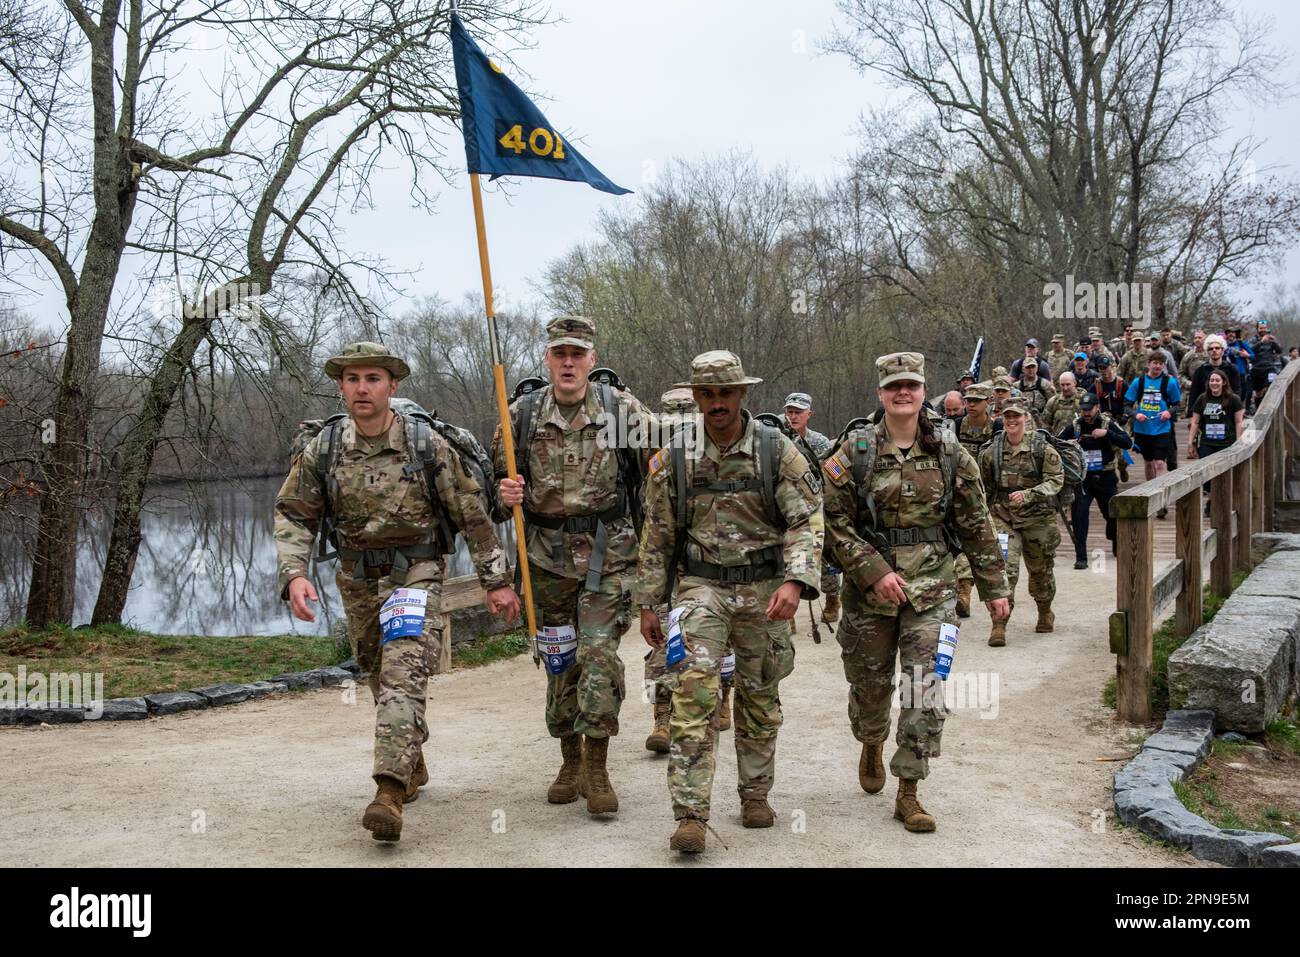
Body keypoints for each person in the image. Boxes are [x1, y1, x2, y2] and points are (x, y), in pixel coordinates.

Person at [275, 342, 519, 842]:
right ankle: (411, 760)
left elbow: (471, 515)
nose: (361, 388)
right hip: (357, 577)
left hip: (417, 572)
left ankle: (388, 790)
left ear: (393, 386)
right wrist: (294, 574)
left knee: (403, 669)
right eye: (352, 379)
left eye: (372, 378)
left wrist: (497, 581)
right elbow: (295, 513)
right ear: (341, 387)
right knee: (374, 667)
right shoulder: (323, 448)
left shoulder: (426, 444)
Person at [636, 351, 822, 854]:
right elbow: (656, 537)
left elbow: (805, 521)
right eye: (706, 394)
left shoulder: (775, 451)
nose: (716, 403)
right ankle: (692, 813)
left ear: (742, 394)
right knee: (693, 693)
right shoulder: (674, 458)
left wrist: (796, 582)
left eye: (725, 393)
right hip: (702, 588)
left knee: (760, 695)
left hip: (766, 590)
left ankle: (756, 793)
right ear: (695, 397)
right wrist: (650, 603)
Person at [823, 352, 1009, 832]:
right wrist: (870, 569)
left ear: (923, 390)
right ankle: (871, 741)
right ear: (880, 393)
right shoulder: (855, 449)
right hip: (870, 594)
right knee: (869, 685)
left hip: (933, 588)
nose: (902, 393)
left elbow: (975, 522)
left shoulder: (948, 450)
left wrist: (994, 588)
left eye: (911, 385)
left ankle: (909, 788)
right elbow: (831, 521)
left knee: (924, 685)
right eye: (893, 386)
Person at [493, 316, 650, 817]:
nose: (568, 362)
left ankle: (598, 762)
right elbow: (489, 494)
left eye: (577, 354)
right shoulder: (516, 414)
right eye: (560, 353)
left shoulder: (621, 410)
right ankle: (569, 758)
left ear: (591, 359)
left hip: (609, 554)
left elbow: (660, 474)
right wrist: (503, 494)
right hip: (545, 559)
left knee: (599, 655)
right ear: (547, 358)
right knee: (561, 662)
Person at [643, 387, 705, 753]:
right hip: (663, 565)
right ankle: (662, 715)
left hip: (704, 568)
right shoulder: (649, 460)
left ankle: (711, 705)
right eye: (672, 427)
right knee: (660, 644)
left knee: (706, 643)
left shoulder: (715, 455)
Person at [979, 398, 1063, 645]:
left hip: (1038, 520)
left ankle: (1045, 610)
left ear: (1026, 417)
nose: (1012, 421)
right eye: (1007, 417)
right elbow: (983, 485)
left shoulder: (1042, 449)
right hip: (1004, 519)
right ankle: (999, 624)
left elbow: (1056, 479)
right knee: (1005, 570)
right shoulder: (992, 451)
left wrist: (1030, 494)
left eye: (1016, 416)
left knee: (1040, 572)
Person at [783, 391, 840, 624]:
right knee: (784, 557)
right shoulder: (776, 439)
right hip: (786, 508)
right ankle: (786, 614)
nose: (793, 417)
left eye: (798, 412)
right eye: (790, 412)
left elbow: (830, 477)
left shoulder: (820, 443)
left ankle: (833, 597)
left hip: (815, 506)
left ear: (809, 414)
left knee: (823, 557)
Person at [1061, 393, 1132, 568]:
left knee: (1112, 515)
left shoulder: (1108, 423)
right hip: (1083, 479)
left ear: (1097, 408)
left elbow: (1127, 442)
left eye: (1089, 410)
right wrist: (1069, 443)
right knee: (1079, 516)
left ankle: (1116, 541)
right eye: (1083, 410)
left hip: (1105, 476)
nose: (1086, 413)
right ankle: (1081, 557)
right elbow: (1056, 442)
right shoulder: (1076, 426)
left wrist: (1107, 434)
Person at [1124, 351, 1181, 515]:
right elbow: (1126, 405)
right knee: (1149, 463)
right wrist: (1136, 415)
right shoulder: (1139, 382)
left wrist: (1169, 412)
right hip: (1143, 429)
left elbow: (1177, 404)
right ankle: (1151, 493)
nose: (1157, 366)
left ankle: (1162, 500)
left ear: (1164, 365)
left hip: (1162, 428)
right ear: (1148, 364)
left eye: (1160, 363)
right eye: (1154, 363)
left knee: (1160, 463)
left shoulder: (1169, 382)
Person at [1188, 370, 1245, 463]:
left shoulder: (1234, 399)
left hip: (1227, 443)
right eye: (1212, 380)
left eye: (1217, 380)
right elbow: (1195, 422)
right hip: (1207, 443)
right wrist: (1190, 443)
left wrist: (1238, 442)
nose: (1214, 383)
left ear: (1224, 382)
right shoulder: (1202, 398)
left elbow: (1239, 422)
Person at [1187, 334, 1243, 407]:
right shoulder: (1200, 371)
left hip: (1227, 409)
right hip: (1205, 409)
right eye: (1211, 348)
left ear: (1222, 350)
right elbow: (1194, 394)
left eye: (1217, 348)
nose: (1214, 350)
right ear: (1207, 351)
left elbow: (1237, 391)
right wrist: (1191, 413)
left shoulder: (1232, 369)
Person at [1015, 356, 1055, 426]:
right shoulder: (1017, 386)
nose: (1031, 370)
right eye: (1028, 367)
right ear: (1023, 369)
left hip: (1042, 421)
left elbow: (1053, 404)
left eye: (1033, 367)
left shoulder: (1045, 384)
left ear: (1037, 368)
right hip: (1023, 421)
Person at [1042, 371, 1081, 435]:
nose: (1065, 388)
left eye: (1068, 384)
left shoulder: (1083, 400)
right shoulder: (1053, 402)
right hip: (1058, 441)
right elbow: (1045, 423)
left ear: (1075, 383)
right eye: (1062, 385)